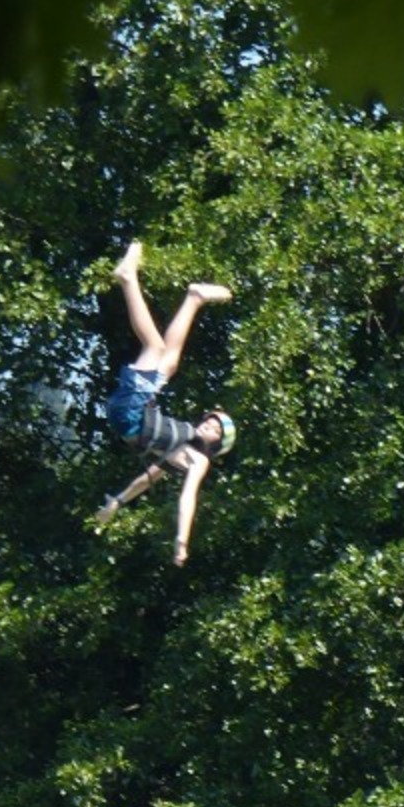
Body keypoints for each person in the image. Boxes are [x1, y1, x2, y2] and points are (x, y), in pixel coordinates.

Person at [93, 241, 236, 566]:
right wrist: (115, 502)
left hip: (130, 413)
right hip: (133, 410)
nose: (210, 423)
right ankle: (194, 298)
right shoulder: (175, 454)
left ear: (215, 445)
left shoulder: (197, 460)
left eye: (215, 428)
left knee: (155, 347)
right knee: (168, 364)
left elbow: (188, 498)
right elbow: (145, 480)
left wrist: (181, 542)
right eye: (212, 419)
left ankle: (128, 277)